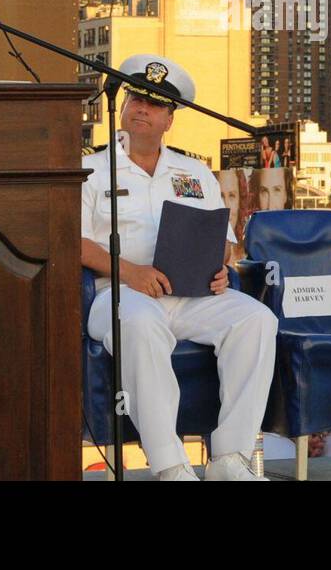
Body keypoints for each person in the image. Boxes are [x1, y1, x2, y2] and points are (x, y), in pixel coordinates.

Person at [81, 54, 278, 481]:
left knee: (257, 319)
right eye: (136, 99)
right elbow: (72, 241)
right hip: (119, 293)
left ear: (170, 119)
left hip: (189, 293)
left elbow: (223, 241)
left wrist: (221, 268)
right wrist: (129, 271)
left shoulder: (192, 171)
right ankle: (170, 464)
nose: (141, 109)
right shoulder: (92, 169)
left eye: (153, 105)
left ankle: (230, 458)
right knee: (141, 325)